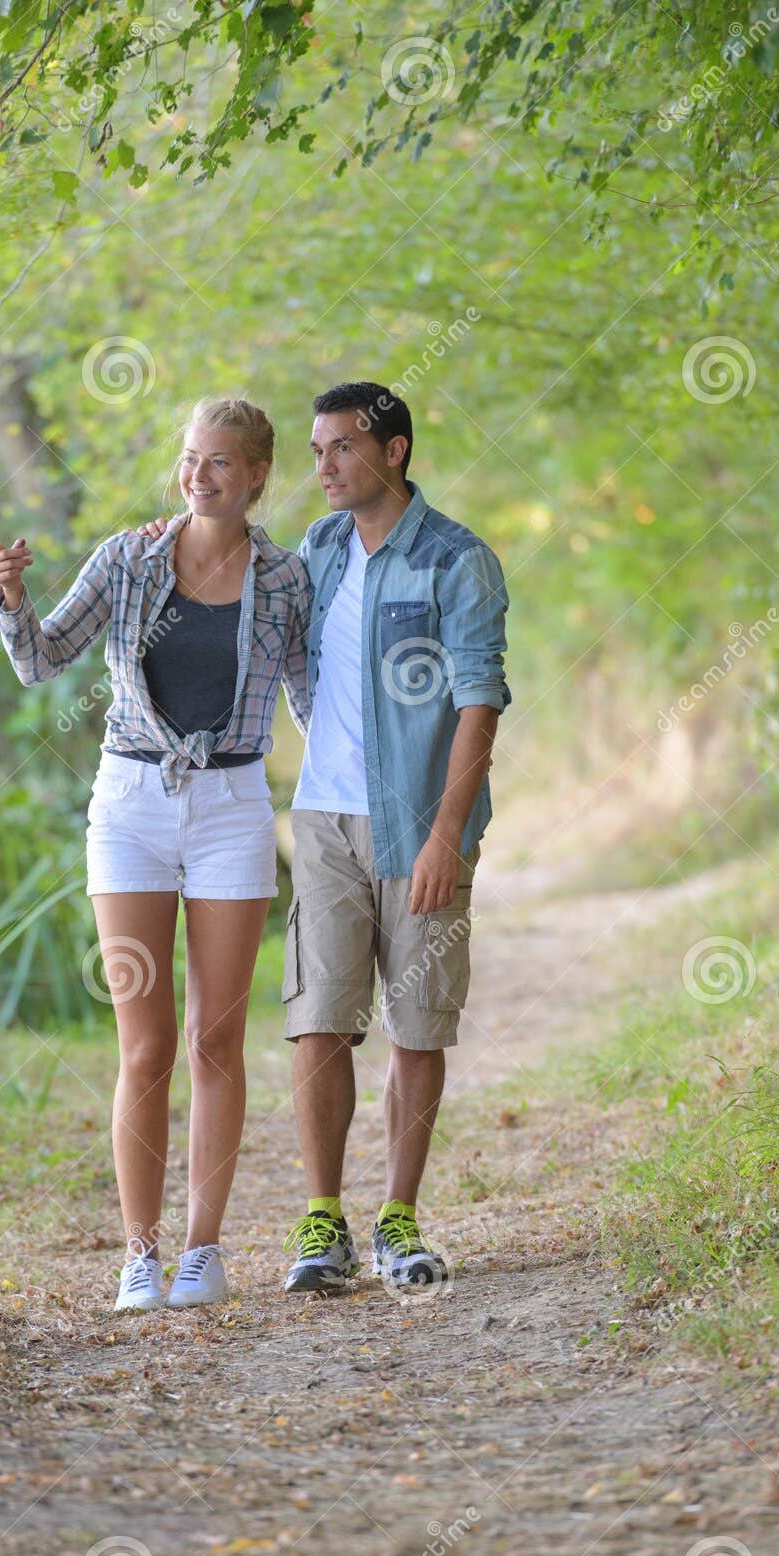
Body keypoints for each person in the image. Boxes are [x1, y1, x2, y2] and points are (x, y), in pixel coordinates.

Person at [137, 381, 511, 1296]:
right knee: (317, 1021)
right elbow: (240, 581)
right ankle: (323, 1221)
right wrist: (169, 546)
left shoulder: (456, 561)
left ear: (394, 452)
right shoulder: (320, 551)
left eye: (341, 448)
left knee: (416, 1025)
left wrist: (443, 837)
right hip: (323, 819)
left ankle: (398, 1218)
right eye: (314, 450)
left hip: (423, 822)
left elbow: (478, 701)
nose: (323, 467)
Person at [0, 397, 310, 1313]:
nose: (197, 475)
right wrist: (13, 597)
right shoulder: (127, 557)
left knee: (215, 1040)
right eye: (189, 458)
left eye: (217, 463)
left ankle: (202, 1251)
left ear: (254, 477)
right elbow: (42, 661)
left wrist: (353, 801)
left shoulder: (282, 578)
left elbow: (312, 700)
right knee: (146, 1045)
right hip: (129, 804)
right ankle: (139, 1254)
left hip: (233, 807)